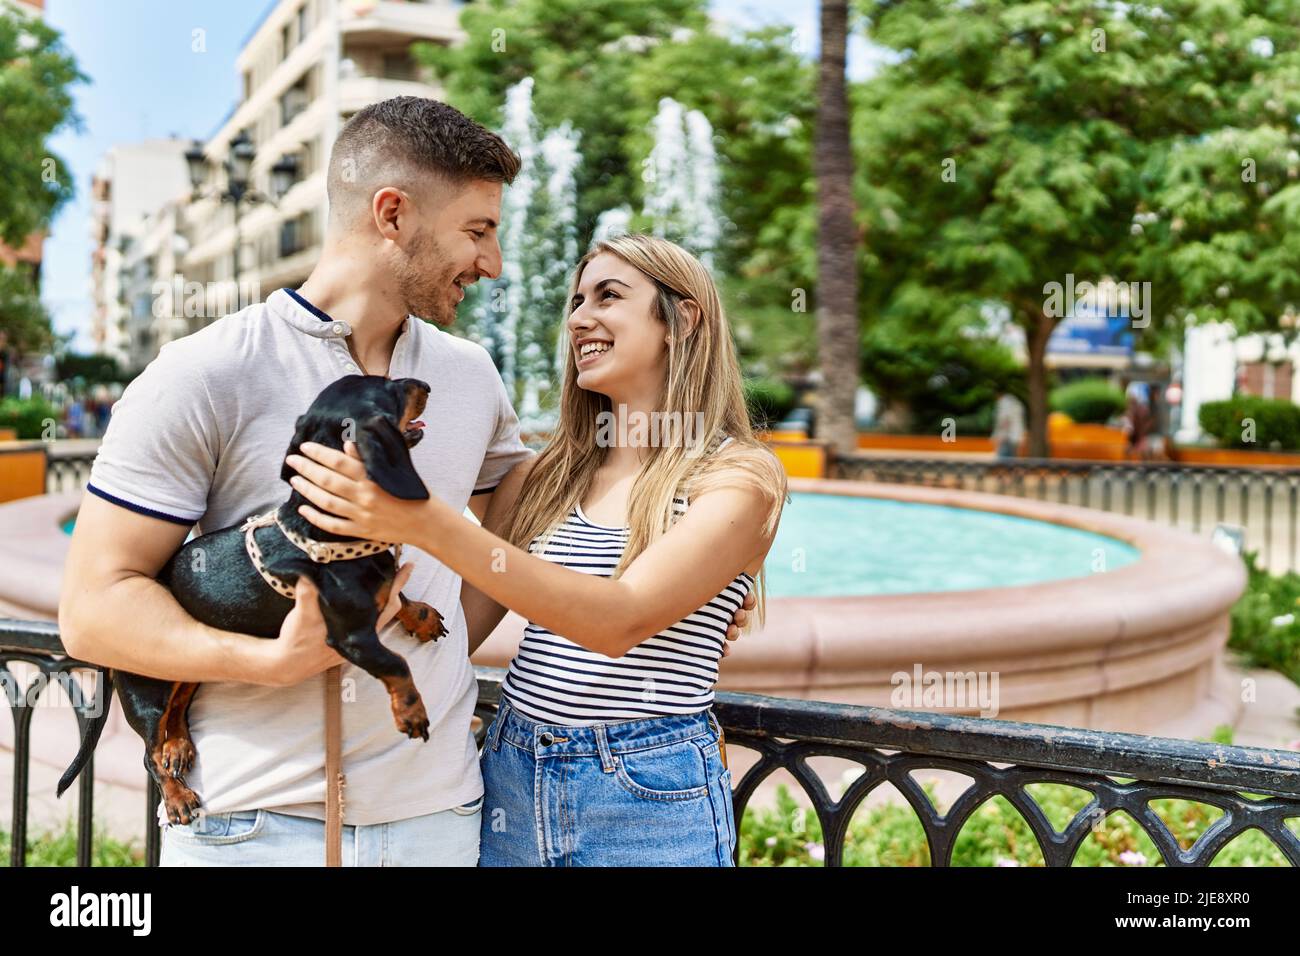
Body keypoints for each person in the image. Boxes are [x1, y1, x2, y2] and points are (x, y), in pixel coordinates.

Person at [58, 96, 754, 867]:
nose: (493, 264)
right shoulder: (204, 372)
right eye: (477, 231)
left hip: (441, 821)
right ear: (392, 214)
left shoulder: (468, 375)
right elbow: (93, 613)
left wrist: (710, 571)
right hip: (250, 826)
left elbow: (553, 517)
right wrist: (269, 662)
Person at [286, 234, 788, 866]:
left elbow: (619, 620)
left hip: (646, 793)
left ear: (683, 320)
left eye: (609, 296)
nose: (579, 319)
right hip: (512, 774)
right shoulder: (543, 477)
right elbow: (458, 631)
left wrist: (420, 518)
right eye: (577, 301)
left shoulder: (738, 478)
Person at [991, 390, 1025, 458]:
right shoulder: (1016, 402)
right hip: (1015, 436)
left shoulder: (1005, 403)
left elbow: (1005, 419)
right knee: (1011, 458)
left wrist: (1002, 435)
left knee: (1003, 458)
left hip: (1007, 438)